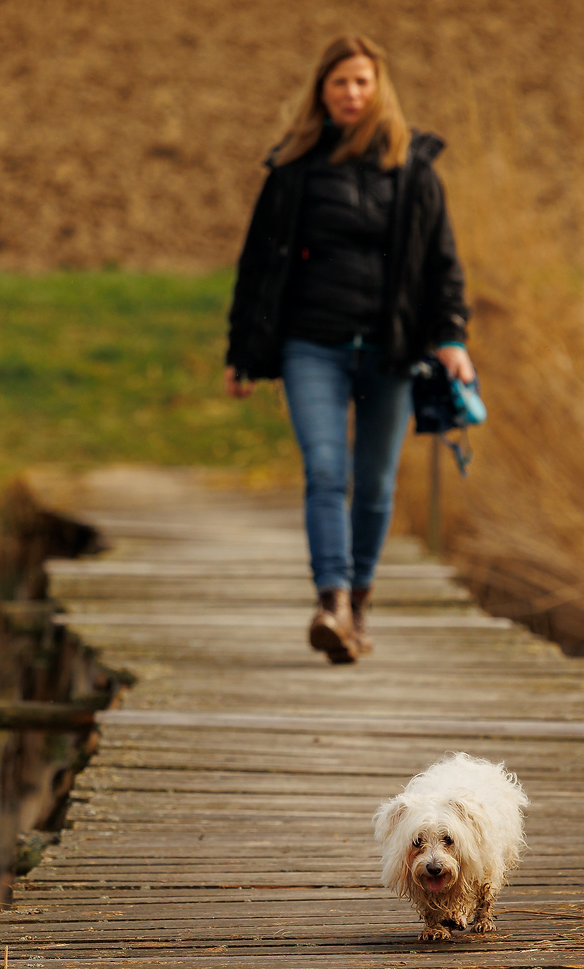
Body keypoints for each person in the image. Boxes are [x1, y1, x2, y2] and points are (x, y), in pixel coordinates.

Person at [224, 34, 474, 665]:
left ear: (378, 88)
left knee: (377, 486)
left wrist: (450, 338)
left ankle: (359, 603)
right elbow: (257, 266)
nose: (351, 94)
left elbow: (442, 263)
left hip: (390, 351)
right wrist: (242, 352)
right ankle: (330, 601)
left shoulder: (413, 169)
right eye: (340, 82)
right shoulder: (293, 169)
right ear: (321, 92)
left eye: (362, 82)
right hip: (313, 345)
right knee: (327, 470)